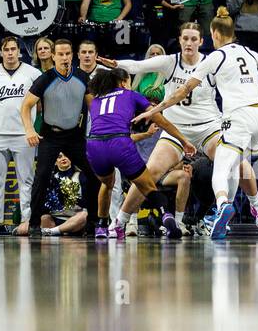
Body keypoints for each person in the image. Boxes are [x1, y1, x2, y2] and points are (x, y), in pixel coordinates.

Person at [96, 20, 258, 237]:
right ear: (180, 40)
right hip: (176, 130)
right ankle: (120, 221)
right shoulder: (169, 62)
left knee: (238, 162)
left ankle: (256, 204)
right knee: (150, 172)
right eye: (185, 38)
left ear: (201, 41)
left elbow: (242, 84)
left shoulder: (211, 62)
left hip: (208, 128)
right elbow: (138, 66)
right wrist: (116, 64)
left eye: (194, 39)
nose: (189, 43)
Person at [146, 8, 258, 240]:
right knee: (237, 164)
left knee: (223, 169)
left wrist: (156, 109)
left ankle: (225, 206)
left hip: (239, 120)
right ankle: (253, 207)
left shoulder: (215, 57)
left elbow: (183, 90)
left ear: (214, 34)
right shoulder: (246, 51)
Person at [83, 66, 196, 240]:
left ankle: (101, 226)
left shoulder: (97, 99)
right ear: (123, 82)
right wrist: (183, 140)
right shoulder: (130, 94)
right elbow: (161, 120)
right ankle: (166, 215)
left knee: (107, 184)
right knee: (148, 186)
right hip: (119, 142)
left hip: (94, 144)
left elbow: (107, 123)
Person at [16, 37, 96, 236]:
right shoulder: (45, 78)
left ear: (73, 55)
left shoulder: (82, 77)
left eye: (68, 54)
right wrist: (29, 129)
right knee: (41, 176)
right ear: (53, 56)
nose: (64, 57)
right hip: (50, 135)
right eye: (60, 54)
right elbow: (26, 106)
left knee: (94, 174)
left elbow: (93, 105)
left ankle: (94, 221)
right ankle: (34, 224)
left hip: (75, 136)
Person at [0, 36, 40, 229]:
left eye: (13, 49)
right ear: (1, 52)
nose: (10, 53)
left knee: (26, 181)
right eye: (6, 49)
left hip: (24, 135)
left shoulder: (33, 73)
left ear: (19, 51)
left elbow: (41, 102)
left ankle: (27, 221)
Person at [35, 151, 88, 235]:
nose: (63, 158)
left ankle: (54, 231)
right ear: (55, 162)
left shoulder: (80, 175)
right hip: (57, 217)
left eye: (66, 156)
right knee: (44, 217)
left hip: (75, 217)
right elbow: (46, 203)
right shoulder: (51, 178)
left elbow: (88, 200)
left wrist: (73, 198)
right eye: (59, 157)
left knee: (84, 215)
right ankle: (58, 232)